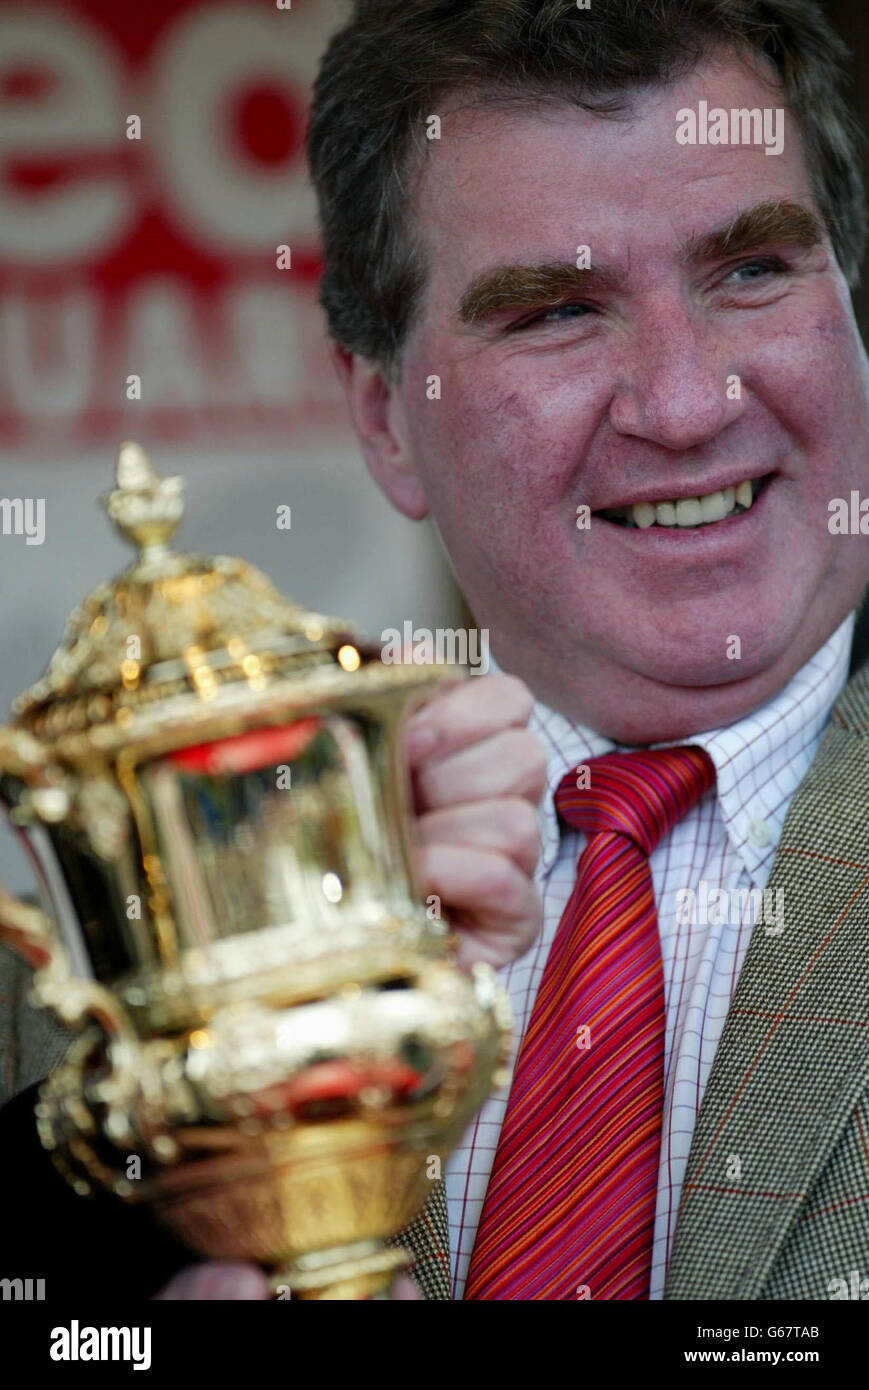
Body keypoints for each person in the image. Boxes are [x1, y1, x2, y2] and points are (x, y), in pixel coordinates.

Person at [3, 0, 868, 1302]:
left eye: (751, 270)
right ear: (384, 419)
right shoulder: (142, 938)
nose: (688, 402)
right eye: (554, 312)